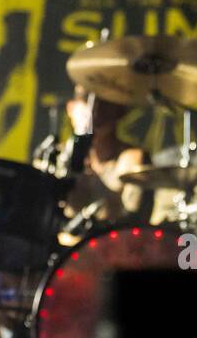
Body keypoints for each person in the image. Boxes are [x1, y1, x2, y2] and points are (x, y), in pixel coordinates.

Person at [58, 84, 154, 233]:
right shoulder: (57, 159)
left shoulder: (131, 160)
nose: (94, 112)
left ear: (120, 111)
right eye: (86, 103)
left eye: (103, 105)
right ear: (70, 108)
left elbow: (136, 225)